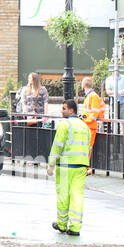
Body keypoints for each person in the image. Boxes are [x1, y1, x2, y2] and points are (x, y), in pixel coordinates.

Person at [46, 99, 90, 235]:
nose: (62, 111)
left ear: (72, 110)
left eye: (64, 108)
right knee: (77, 195)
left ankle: (62, 224)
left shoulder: (64, 125)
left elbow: (57, 146)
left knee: (63, 195)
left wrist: (51, 165)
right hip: (81, 165)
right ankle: (75, 227)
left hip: (65, 165)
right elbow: (88, 146)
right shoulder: (85, 127)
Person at [79, 76, 105, 174]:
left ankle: (86, 168)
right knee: (86, 147)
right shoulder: (91, 96)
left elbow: (94, 113)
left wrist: (86, 120)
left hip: (90, 126)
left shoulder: (92, 96)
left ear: (84, 85)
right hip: (88, 125)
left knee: (87, 147)